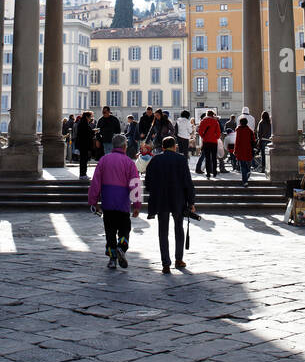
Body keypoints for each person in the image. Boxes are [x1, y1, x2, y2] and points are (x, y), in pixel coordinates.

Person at [88, 135, 141, 269]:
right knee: (124, 229)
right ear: (124, 146)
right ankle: (121, 248)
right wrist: (137, 205)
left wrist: (93, 201)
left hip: (108, 201)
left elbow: (95, 182)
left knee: (110, 231)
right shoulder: (129, 162)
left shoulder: (104, 160)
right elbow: (135, 184)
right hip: (123, 202)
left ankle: (112, 259)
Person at [145, 135, 196, 272]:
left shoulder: (156, 159)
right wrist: (191, 201)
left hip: (161, 200)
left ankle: (165, 263)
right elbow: (187, 182)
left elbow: (148, 182)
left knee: (163, 231)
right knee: (179, 228)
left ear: (162, 147)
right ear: (175, 146)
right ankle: (178, 259)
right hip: (178, 199)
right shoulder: (181, 159)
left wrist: (153, 192)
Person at [198, 111, 221, 177]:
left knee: (207, 158)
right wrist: (215, 137)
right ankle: (214, 172)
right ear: (213, 115)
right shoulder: (215, 122)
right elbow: (218, 133)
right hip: (214, 142)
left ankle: (208, 173)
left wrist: (203, 136)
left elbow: (200, 131)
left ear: (207, 114)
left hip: (206, 142)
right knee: (214, 158)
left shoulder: (203, 121)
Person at [234, 116, 256, 185]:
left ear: (240, 123)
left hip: (240, 150)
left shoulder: (238, 130)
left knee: (242, 165)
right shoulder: (250, 130)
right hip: (248, 149)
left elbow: (237, 141)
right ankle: (248, 170)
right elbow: (253, 140)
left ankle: (245, 181)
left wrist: (235, 150)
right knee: (247, 164)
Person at [74, 111, 96, 179]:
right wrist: (94, 132)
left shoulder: (82, 122)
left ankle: (83, 174)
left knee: (83, 159)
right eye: (90, 117)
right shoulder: (84, 123)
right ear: (87, 117)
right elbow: (87, 133)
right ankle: (83, 174)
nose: (91, 118)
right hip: (84, 144)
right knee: (84, 159)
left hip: (82, 144)